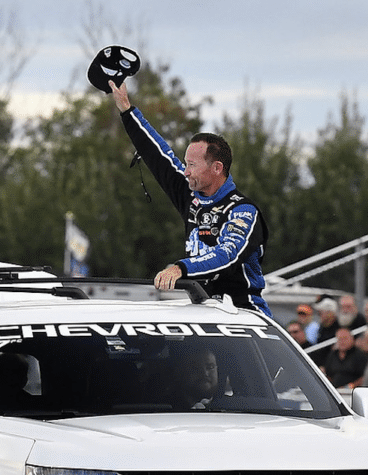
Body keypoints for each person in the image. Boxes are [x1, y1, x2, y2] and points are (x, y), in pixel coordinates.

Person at [111, 80, 269, 313]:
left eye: (192, 165)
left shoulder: (244, 211)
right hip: (202, 311)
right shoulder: (190, 193)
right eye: (186, 164)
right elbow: (158, 155)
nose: (185, 171)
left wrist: (180, 268)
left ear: (216, 168)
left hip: (244, 313)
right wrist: (126, 109)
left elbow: (227, 255)